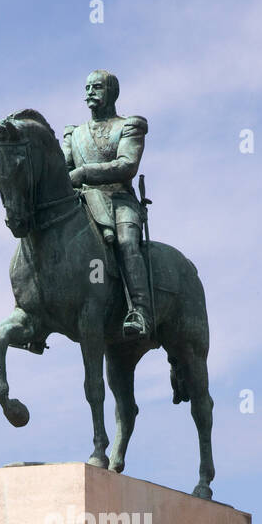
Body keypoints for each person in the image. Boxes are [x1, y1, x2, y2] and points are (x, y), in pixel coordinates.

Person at [63, 70, 152, 339]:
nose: (90, 92)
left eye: (97, 87)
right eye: (87, 87)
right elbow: (64, 170)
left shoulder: (128, 126)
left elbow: (127, 165)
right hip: (83, 200)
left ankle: (140, 311)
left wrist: (85, 172)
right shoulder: (73, 134)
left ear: (112, 92)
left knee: (126, 243)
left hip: (119, 200)